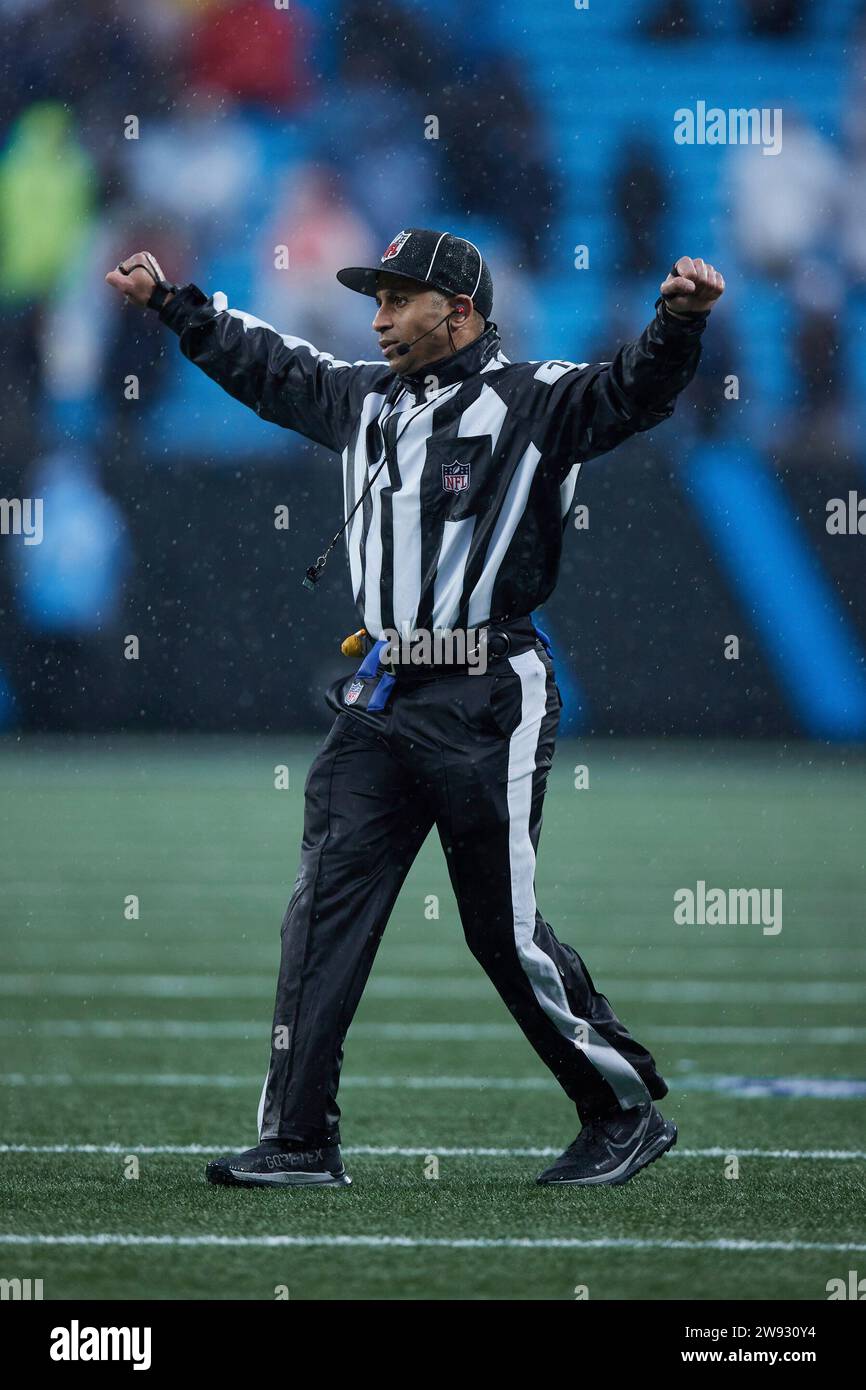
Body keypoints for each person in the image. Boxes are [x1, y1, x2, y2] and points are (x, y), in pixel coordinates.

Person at [105, 229, 724, 1188]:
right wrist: (172, 303)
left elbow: (630, 392)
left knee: (500, 929)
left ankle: (621, 1110)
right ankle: (301, 1138)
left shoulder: (533, 401)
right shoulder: (361, 399)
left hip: (485, 690)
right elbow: (268, 365)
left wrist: (676, 323)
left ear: (464, 313)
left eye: (400, 300)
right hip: (384, 692)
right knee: (323, 912)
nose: (380, 318)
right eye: (376, 300)